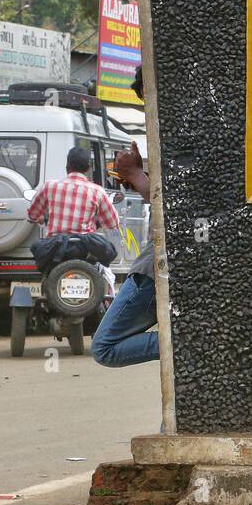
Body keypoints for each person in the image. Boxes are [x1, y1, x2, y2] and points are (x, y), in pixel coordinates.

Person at [90, 141, 159, 368]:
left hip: (152, 271)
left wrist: (136, 174)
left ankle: (183, 342)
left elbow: (174, 205)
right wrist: (138, 179)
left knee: (104, 347)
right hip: (153, 268)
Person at [27, 145, 121, 238]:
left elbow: (32, 214)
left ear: (67, 165)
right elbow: (113, 224)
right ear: (88, 168)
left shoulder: (49, 186)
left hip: (54, 247)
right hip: (84, 247)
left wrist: (39, 218)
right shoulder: (98, 191)